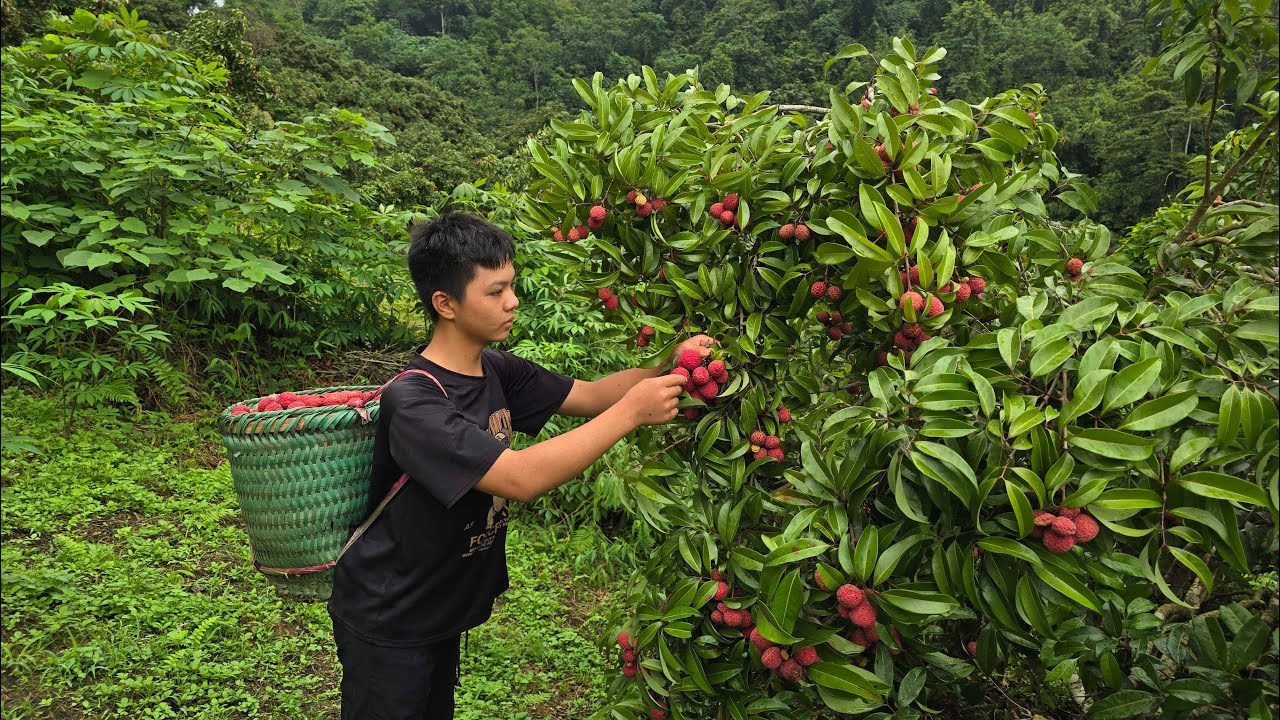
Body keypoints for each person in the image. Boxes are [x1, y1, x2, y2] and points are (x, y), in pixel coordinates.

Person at [327, 212, 715, 719]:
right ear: (444, 303)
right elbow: (520, 477)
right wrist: (631, 414)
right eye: (495, 292)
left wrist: (671, 363)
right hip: (390, 617)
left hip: (437, 608)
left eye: (512, 286)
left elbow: (593, 395)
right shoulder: (414, 401)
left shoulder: (496, 368)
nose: (513, 302)